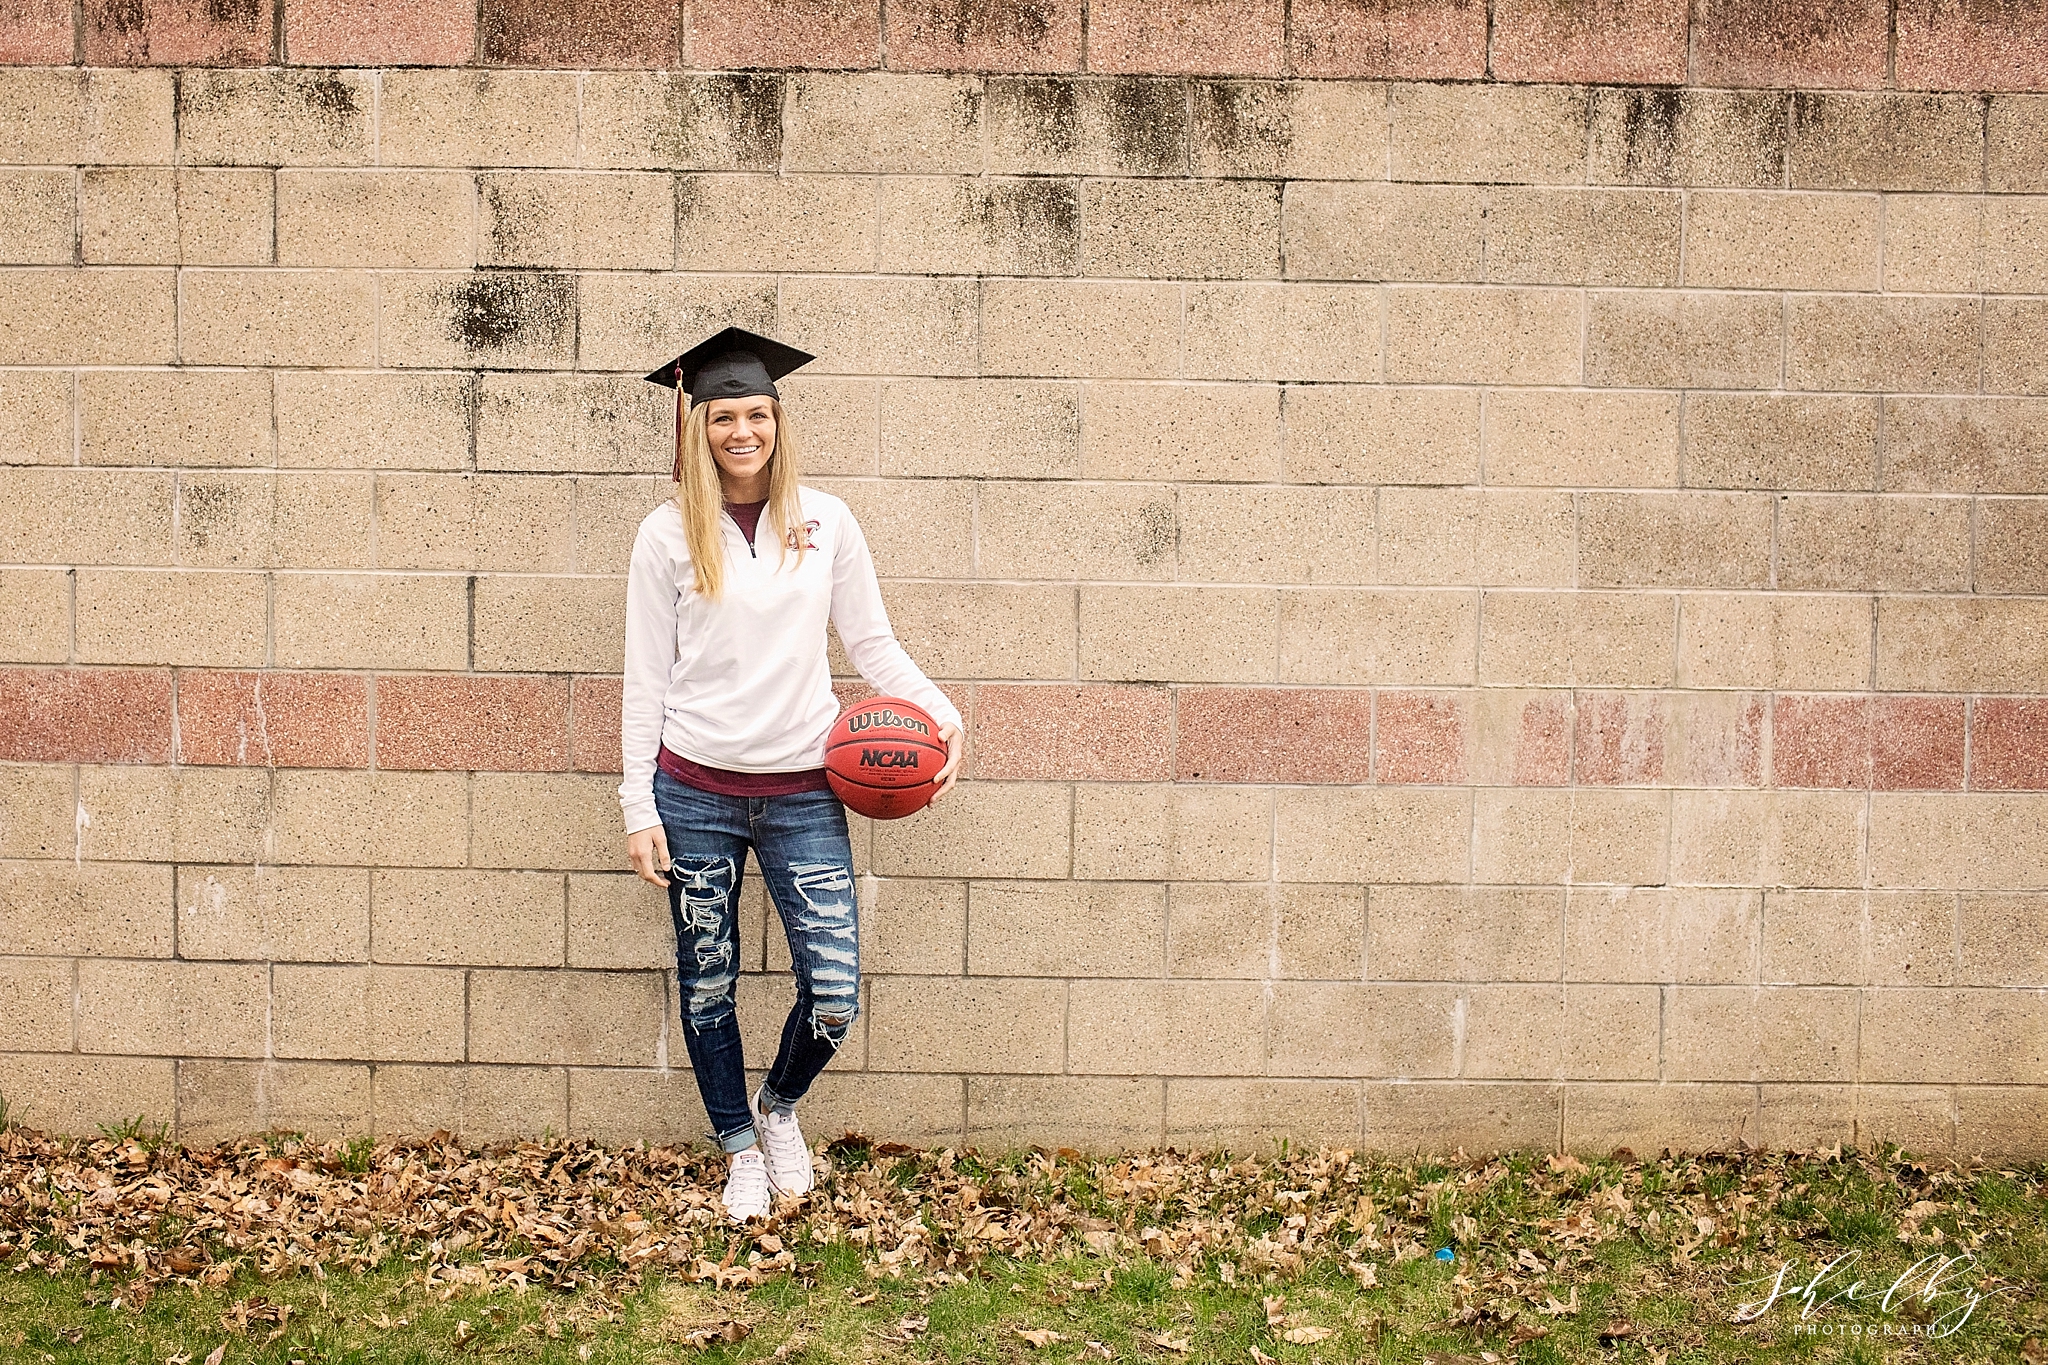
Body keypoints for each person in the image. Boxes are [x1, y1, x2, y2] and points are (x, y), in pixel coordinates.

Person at [618, 327, 963, 1223]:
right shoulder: (664, 534)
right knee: (707, 980)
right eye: (723, 415)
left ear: (778, 419)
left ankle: (778, 1108)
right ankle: (737, 1145)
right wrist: (635, 802)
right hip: (692, 791)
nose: (741, 430)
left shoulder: (827, 520)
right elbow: (644, 679)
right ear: (698, 426)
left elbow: (872, 643)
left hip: (805, 791)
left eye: (756, 413)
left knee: (835, 990)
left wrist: (943, 714)